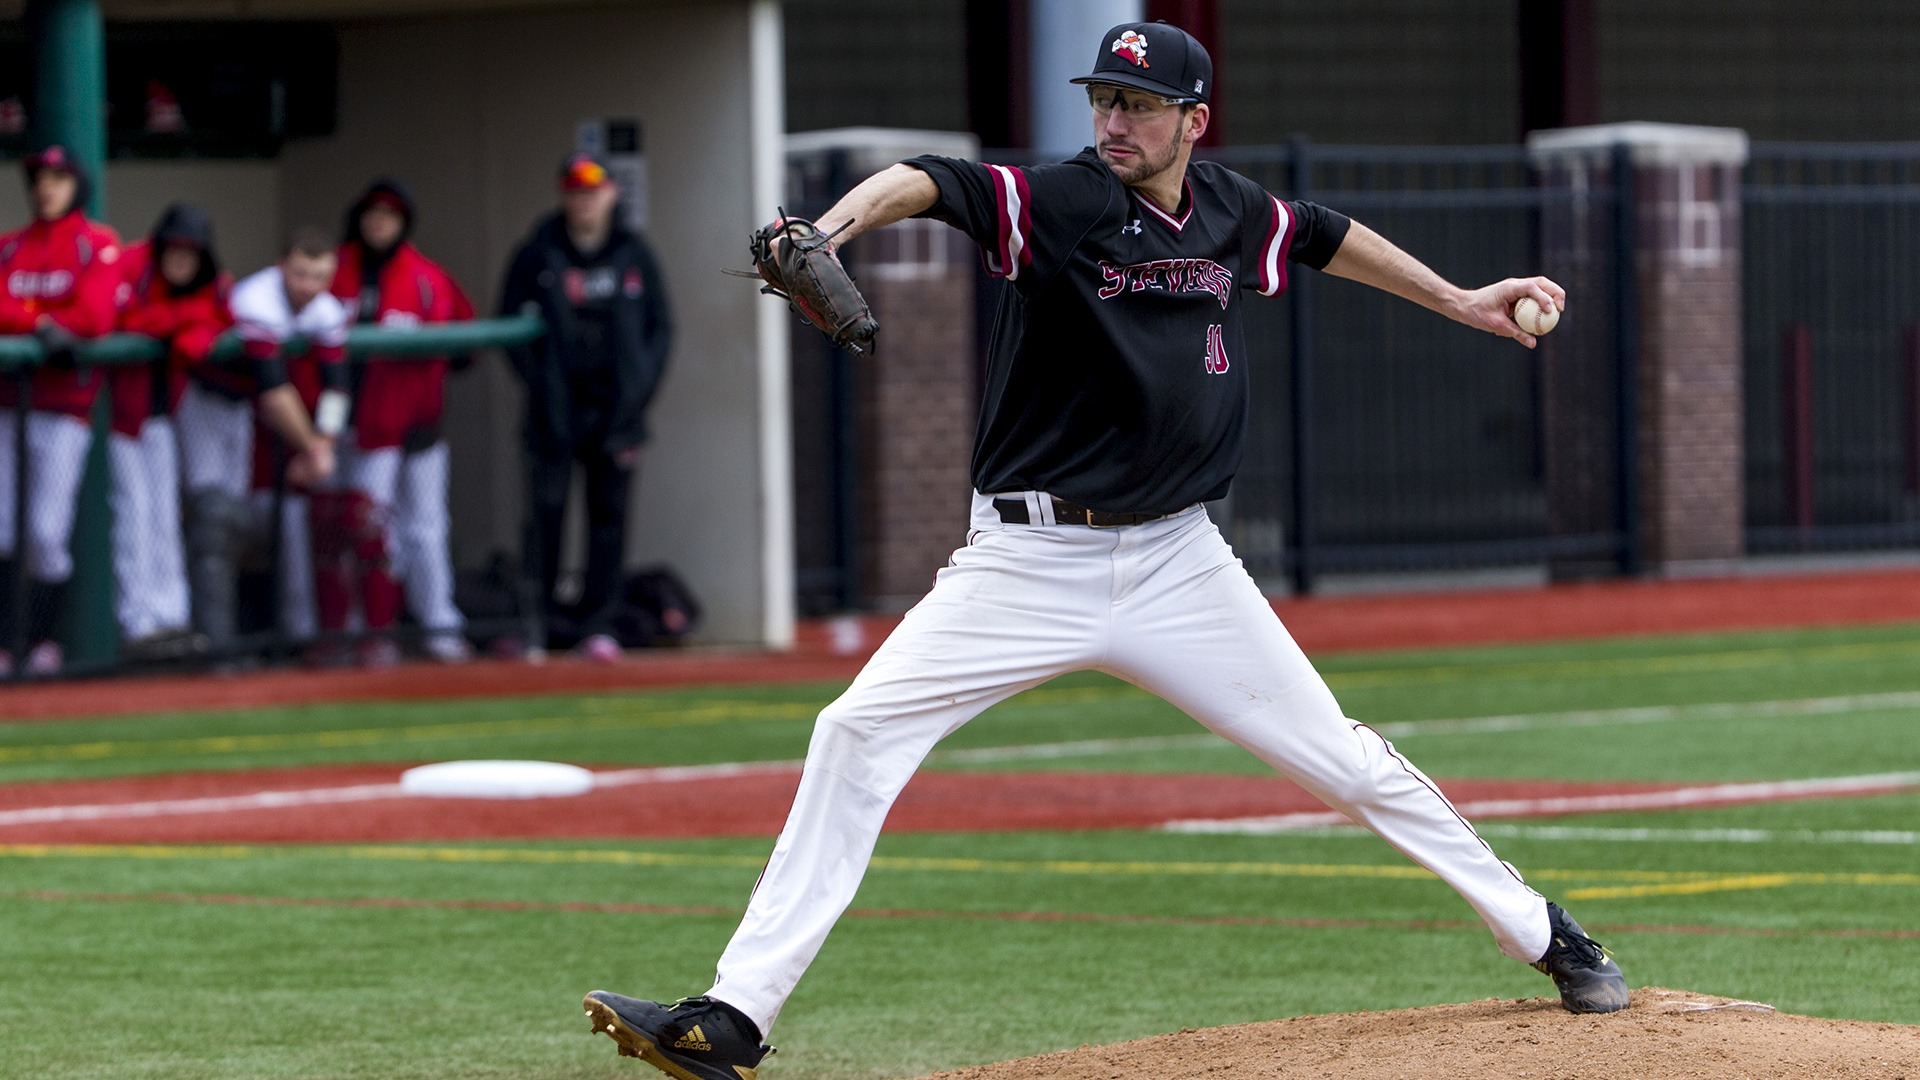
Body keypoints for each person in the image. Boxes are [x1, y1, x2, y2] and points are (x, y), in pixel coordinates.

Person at [580, 21, 1626, 1079]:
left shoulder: (1227, 210)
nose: (1114, 120)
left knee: (1345, 759)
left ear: (1192, 120)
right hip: (1027, 563)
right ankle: (734, 1019)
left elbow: (1318, 232)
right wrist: (828, 229)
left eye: (1138, 104)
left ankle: (1544, 933)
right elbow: (929, 181)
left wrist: (1457, 299)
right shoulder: (1069, 201)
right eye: (1103, 99)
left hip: (1182, 564)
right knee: (854, 733)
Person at [499, 152, 672, 663]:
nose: (585, 200)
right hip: (553, 414)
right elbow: (510, 327)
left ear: (611, 194)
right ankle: (541, 623)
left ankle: (600, 625)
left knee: (609, 520)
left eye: (593, 190)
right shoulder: (537, 253)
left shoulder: (634, 253)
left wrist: (639, 393)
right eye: (575, 190)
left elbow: (660, 331)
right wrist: (539, 385)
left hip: (617, 415)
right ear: (562, 194)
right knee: (545, 517)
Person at [176, 226, 344, 656]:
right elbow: (274, 394)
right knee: (213, 517)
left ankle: (231, 642)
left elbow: (336, 387)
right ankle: (214, 644)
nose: (309, 286)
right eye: (301, 273)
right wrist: (313, 449)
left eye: (319, 276)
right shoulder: (257, 298)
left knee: (236, 524)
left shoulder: (326, 309)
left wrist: (322, 441)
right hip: (205, 402)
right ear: (282, 267)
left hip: (242, 414)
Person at [329, 178, 476, 666]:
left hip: (418, 425)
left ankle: (438, 625)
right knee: (364, 531)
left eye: (390, 216)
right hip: (355, 427)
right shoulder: (337, 271)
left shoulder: (426, 278)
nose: (379, 224)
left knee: (426, 528)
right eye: (372, 214)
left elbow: (466, 344)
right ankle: (368, 631)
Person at [0, 146, 122, 676]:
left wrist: (25, 316)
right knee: (1, 528)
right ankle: (7, 644)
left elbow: (94, 316)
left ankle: (43, 640)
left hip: (64, 404)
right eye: (40, 179)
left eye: (58, 178)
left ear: (76, 184)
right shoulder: (10, 247)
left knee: (46, 534)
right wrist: (43, 322)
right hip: (7, 403)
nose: (47, 188)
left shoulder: (97, 244)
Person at [112, 204, 229, 662]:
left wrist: (192, 325)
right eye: (175, 250)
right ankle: (136, 620)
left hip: (160, 416)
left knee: (163, 514)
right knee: (133, 515)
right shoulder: (131, 264)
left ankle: (170, 618)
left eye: (191, 253)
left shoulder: (207, 283)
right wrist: (181, 321)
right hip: (118, 417)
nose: (181, 260)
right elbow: (118, 319)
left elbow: (222, 314)